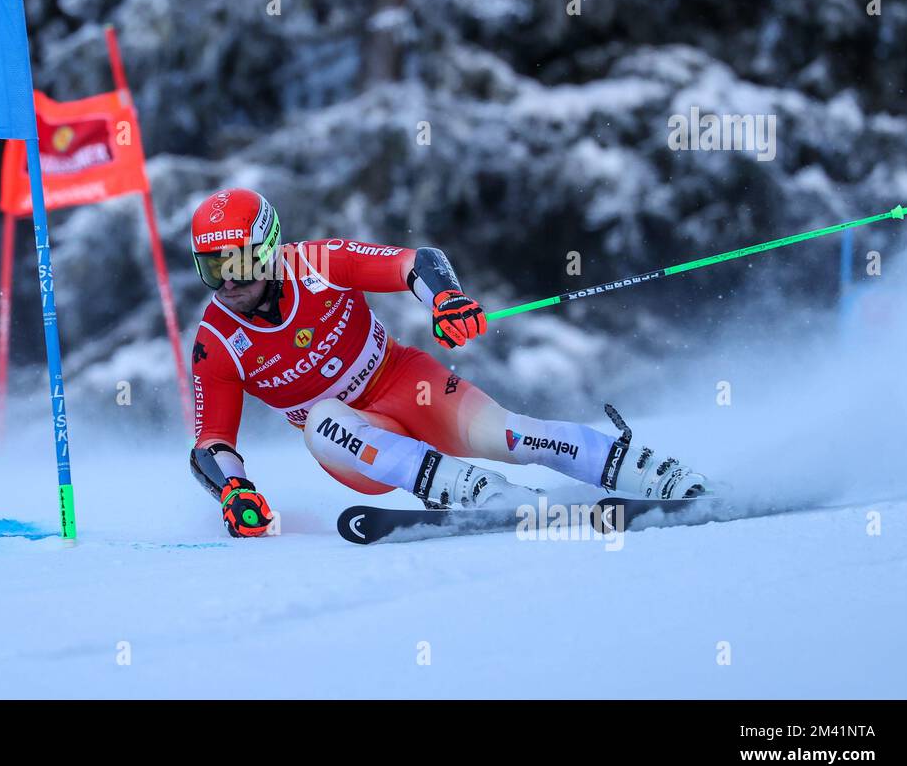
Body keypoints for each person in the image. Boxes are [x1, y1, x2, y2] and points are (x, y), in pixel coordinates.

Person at [186, 188, 708, 537]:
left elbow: (417, 262)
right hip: (355, 446)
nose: (229, 280)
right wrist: (235, 491)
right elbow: (211, 444)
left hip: (404, 380)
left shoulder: (317, 264)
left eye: (240, 260)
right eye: (213, 268)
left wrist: (445, 299)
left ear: (271, 248)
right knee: (321, 422)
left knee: (510, 435)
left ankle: (656, 475)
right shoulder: (218, 342)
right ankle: (482, 494)